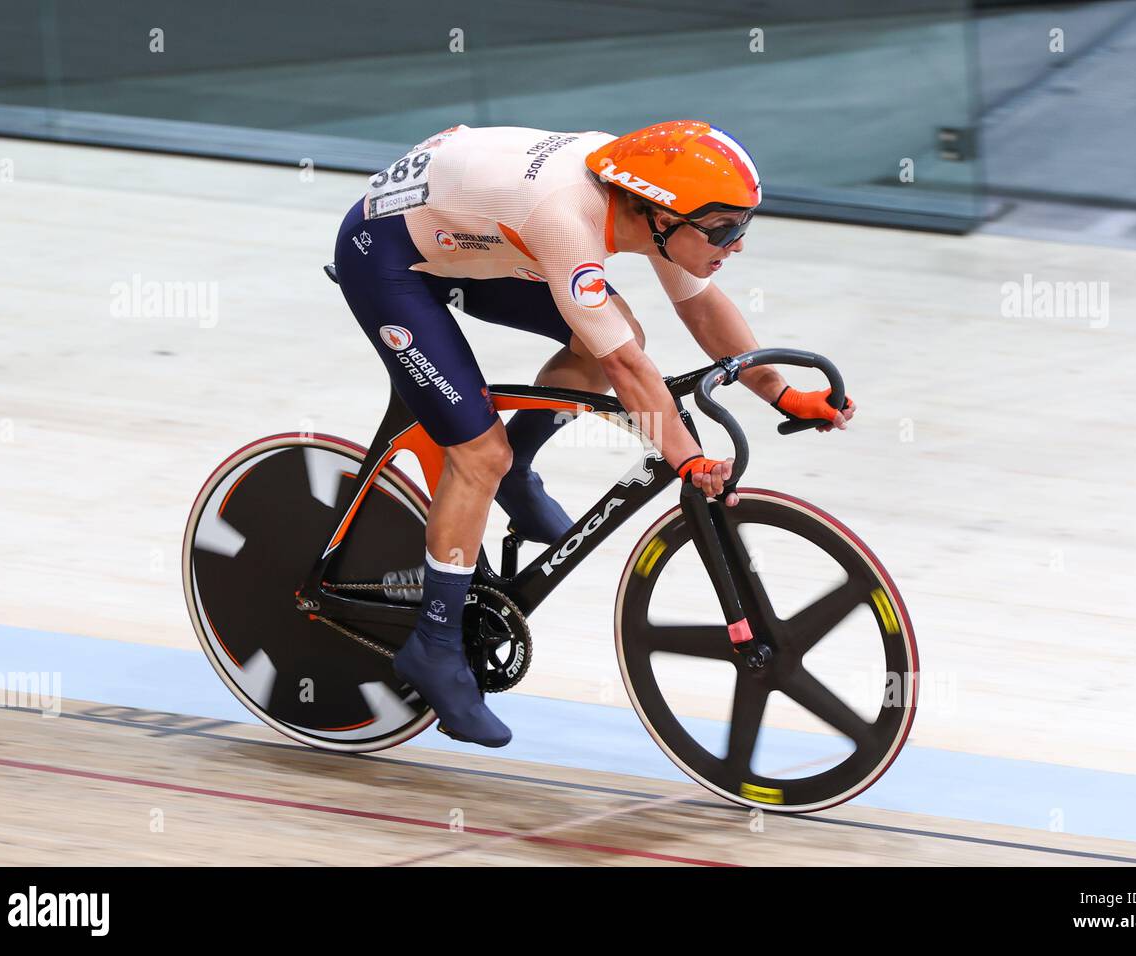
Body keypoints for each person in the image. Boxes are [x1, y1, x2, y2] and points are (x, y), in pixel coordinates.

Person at [332, 121, 855, 747]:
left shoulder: (654, 210)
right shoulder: (569, 221)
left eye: (743, 226)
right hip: (388, 258)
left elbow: (700, 305)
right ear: (657, 215)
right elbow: (626, 369)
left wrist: (783, 393)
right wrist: (687, 460)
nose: (736, 244)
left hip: (471, 234)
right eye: (724, 229)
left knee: (609, 329)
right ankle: (435, 644)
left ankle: (516, 475)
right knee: (479, 453)